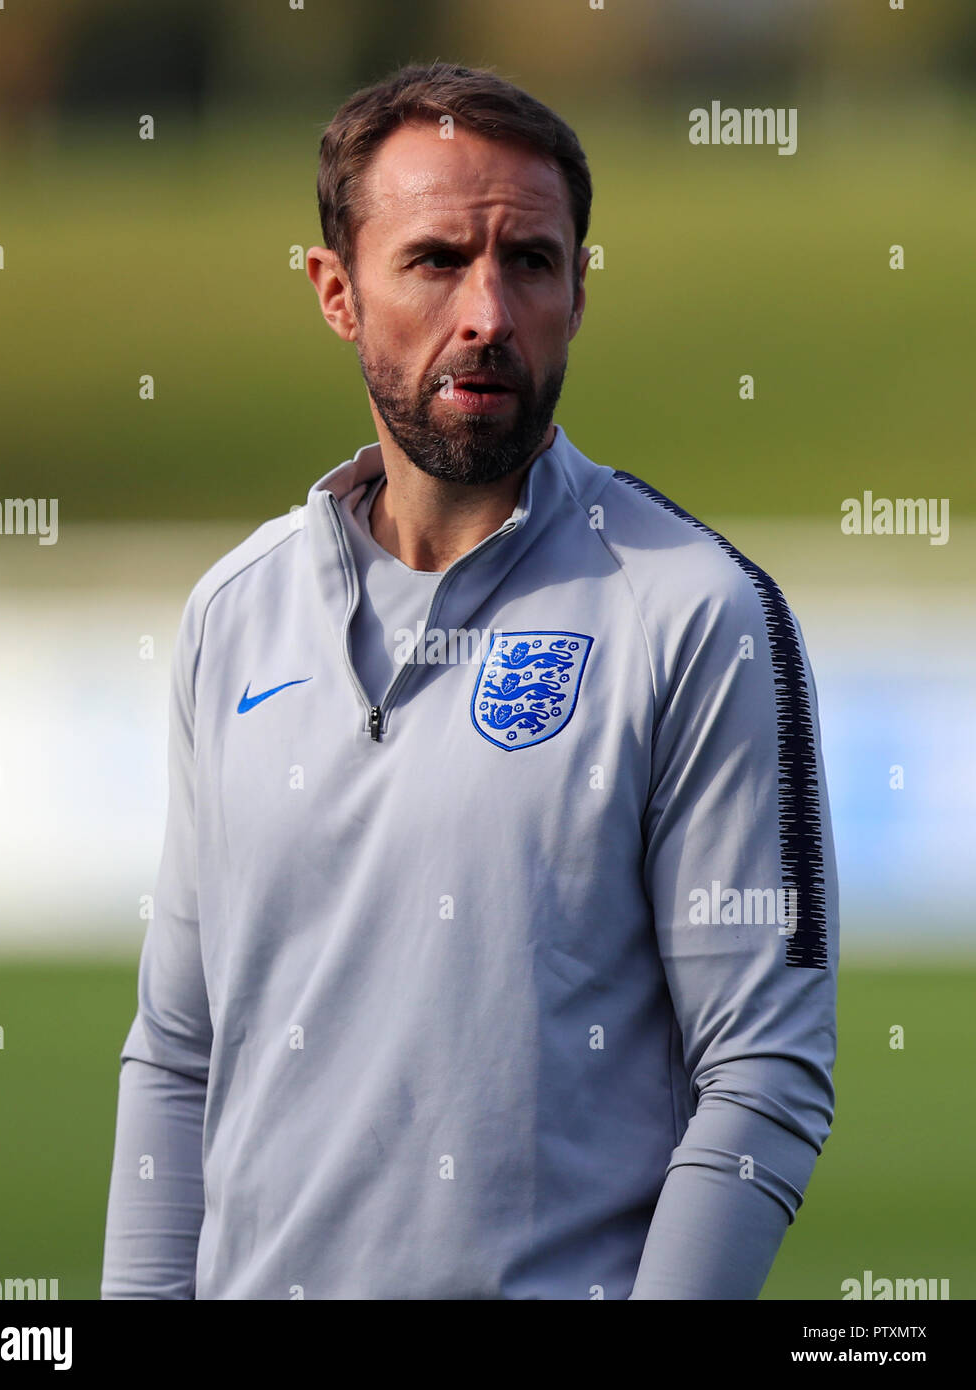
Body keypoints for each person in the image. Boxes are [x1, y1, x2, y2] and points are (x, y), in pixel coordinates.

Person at [101, 61, 838, 1300]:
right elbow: (180, 1052)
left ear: (579, 293)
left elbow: (760, 1072)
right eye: (438, 259)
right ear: (336, 292)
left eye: (532, 262)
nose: (488, 310)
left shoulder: (692, 611)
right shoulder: (234, 613)